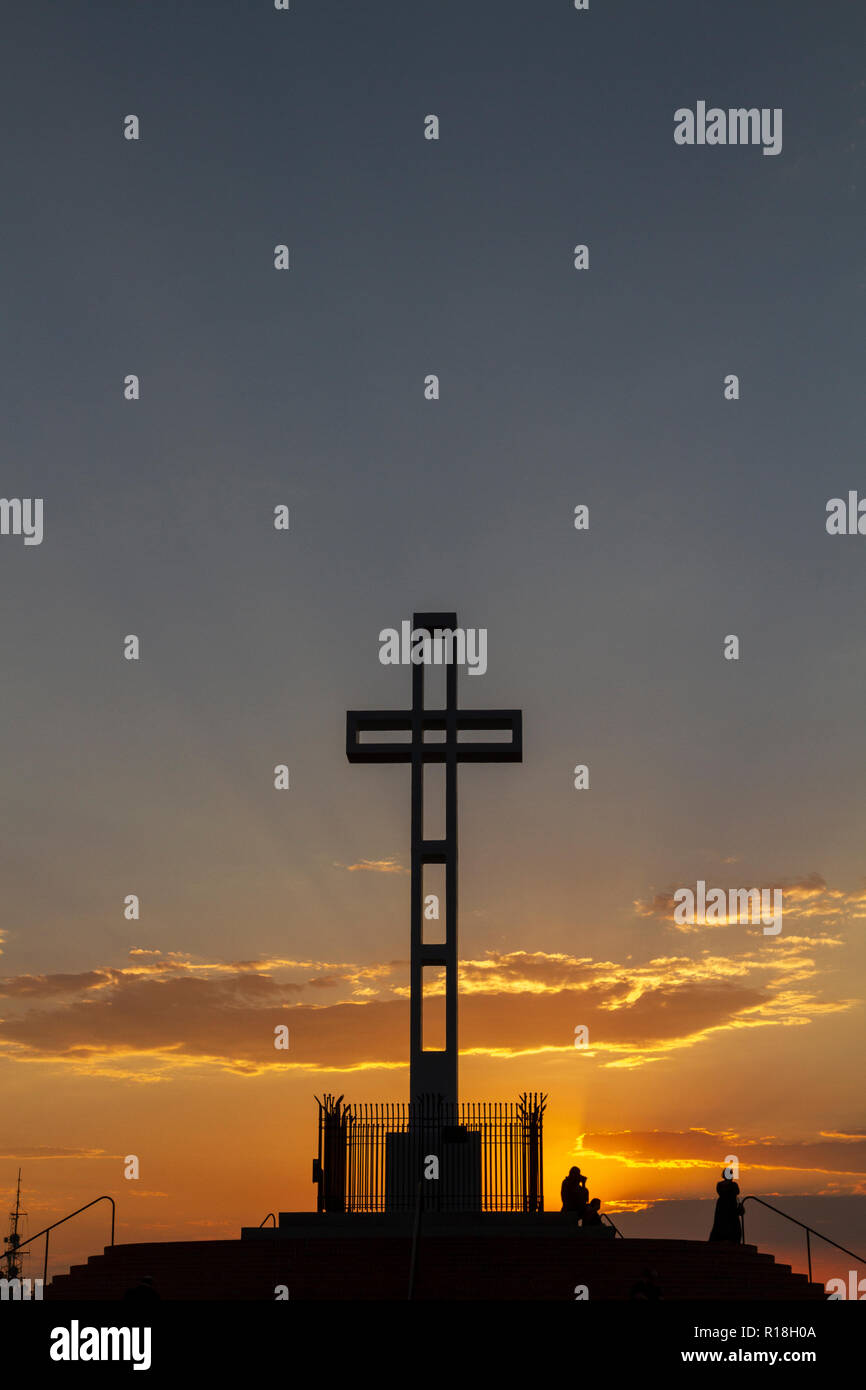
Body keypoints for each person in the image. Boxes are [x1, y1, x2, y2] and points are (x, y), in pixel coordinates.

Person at [708, 1170, 742, 1243]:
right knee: (732, 1224)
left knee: (720, 1223)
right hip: (730, 1206)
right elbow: (737, 1192)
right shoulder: (733, 1185)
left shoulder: (720, 1184)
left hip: (722, 1205)